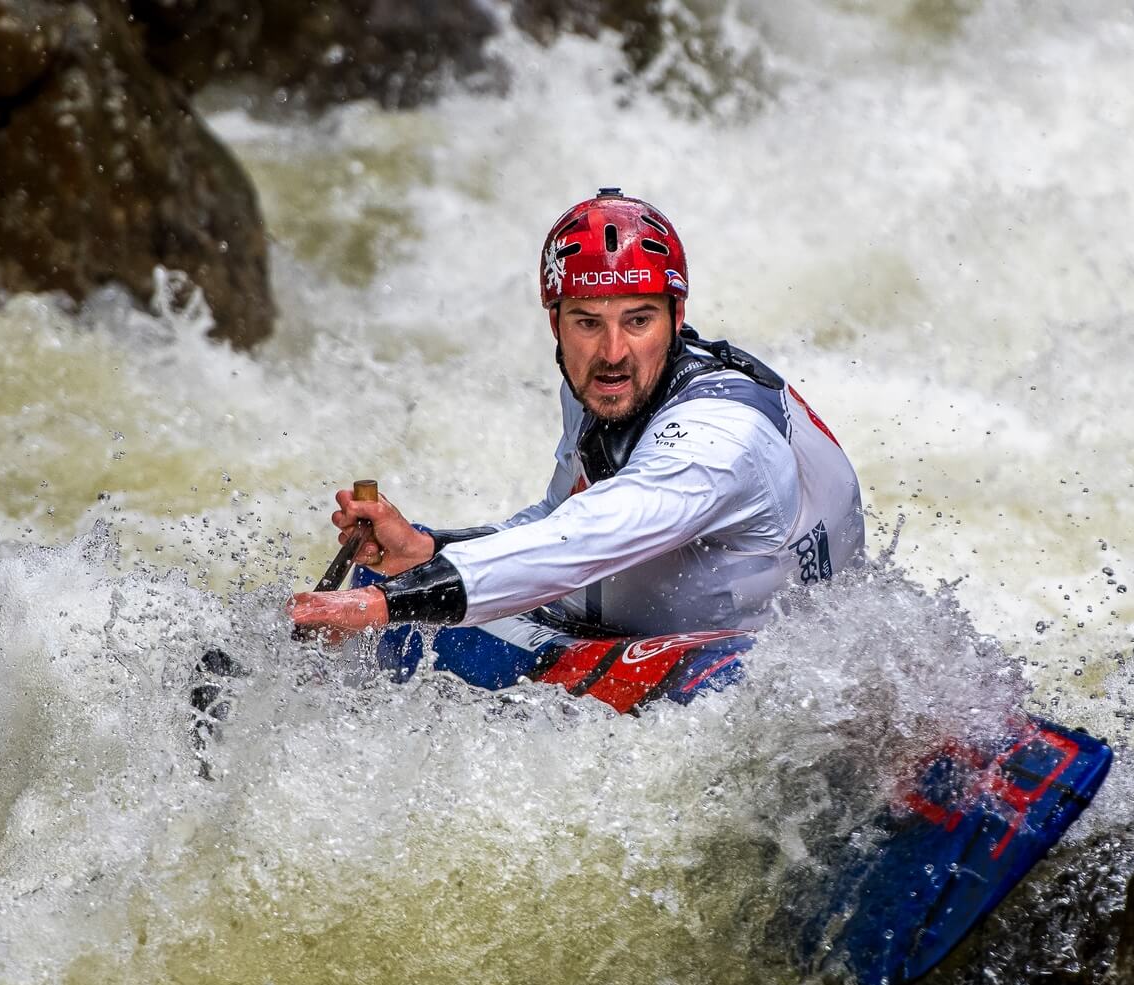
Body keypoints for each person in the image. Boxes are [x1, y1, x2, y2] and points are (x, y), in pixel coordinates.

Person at [287, 188, 865, 690]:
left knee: (400, 603)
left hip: (771, 670)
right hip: (633, 623)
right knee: (399, 577)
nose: (612, 353)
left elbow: (586, 539)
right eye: (588, 322)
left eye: (638, 320)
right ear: (555, 323)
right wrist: (427, 548)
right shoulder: (601, 387)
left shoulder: (720, 439)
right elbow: (559, 518)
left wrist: (383, 605)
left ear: (677, 314)